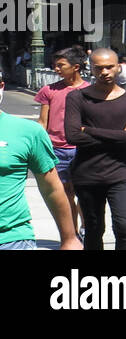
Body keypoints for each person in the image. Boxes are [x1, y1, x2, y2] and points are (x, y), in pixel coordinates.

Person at [65, 48, 126, 251]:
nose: (105, 72)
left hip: (122, 173)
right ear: (90, 68)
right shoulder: (77, 97)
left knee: (124, 227)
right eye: (99, 68)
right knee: (93, 228)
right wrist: (121, 134)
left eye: (109, 67)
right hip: (87, 175)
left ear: (119, 67)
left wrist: (90, 130)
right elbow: (73, 136)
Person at [0, 70, 82, 250]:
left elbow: (51, 187)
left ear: (1, 87)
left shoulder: (28, 132)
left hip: (12, 239)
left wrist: (69, 238)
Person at [36, 46, 90, 237]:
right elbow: (42, 122)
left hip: (82, 149)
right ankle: (71, 234)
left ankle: (86, 229)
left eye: (60, 65)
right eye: (54, 65)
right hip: (56, 150)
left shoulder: (90, 91)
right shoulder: (48, 90)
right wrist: (40, 148)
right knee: (65, 195)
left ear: (76, 67)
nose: (56, 69)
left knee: (84, 194)